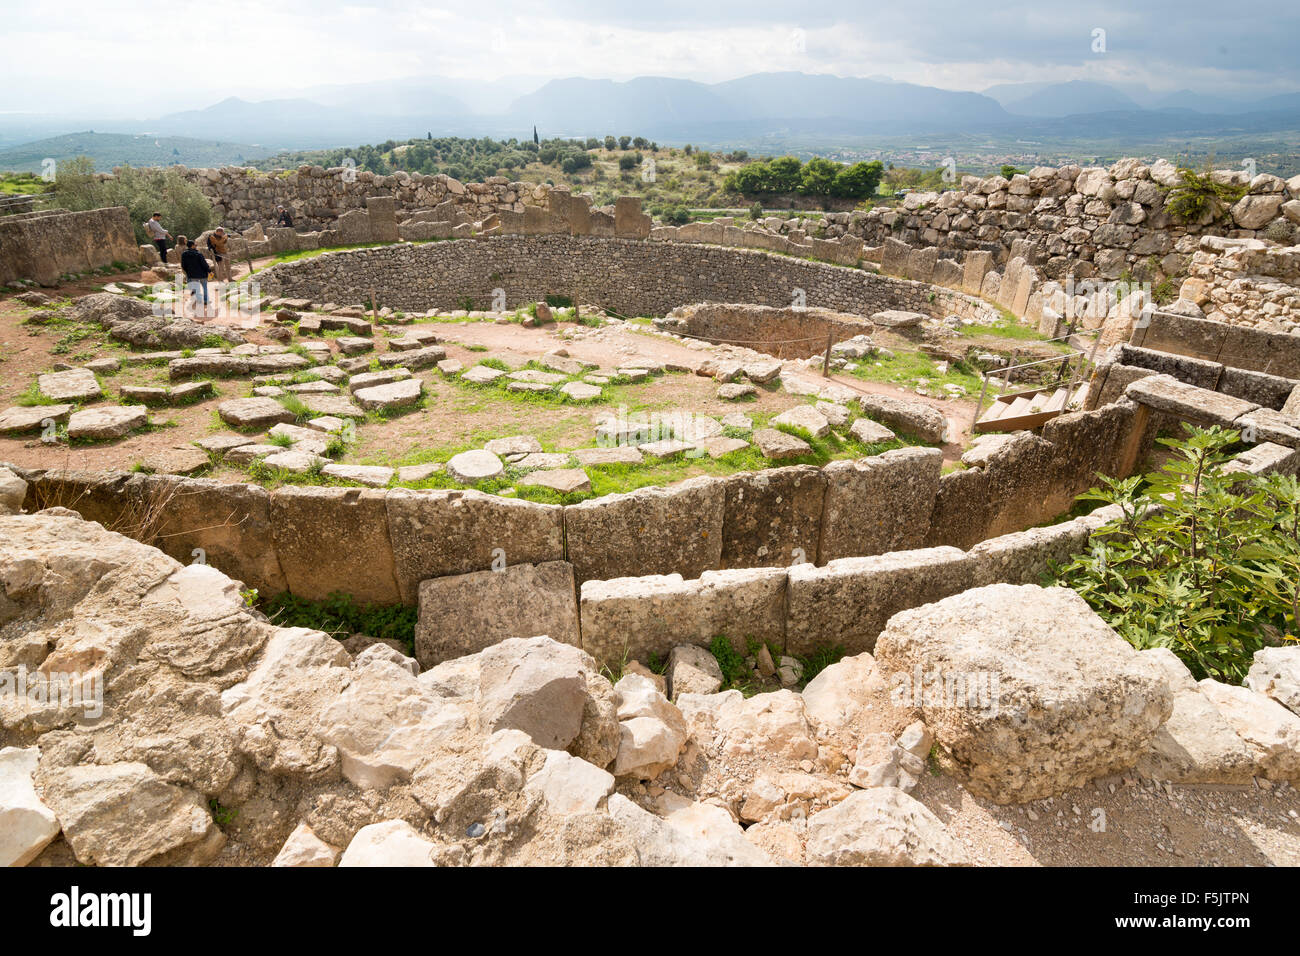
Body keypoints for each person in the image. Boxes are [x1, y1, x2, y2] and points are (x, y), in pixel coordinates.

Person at [180, 240, 211, 318]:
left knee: (197, 290)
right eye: (195, 244)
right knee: (205, 288)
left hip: (192, 275)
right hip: (202, 274)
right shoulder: (198, 254)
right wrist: (209, 270)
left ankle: (199, 303)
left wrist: (188, 272)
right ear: (192, 245)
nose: (196, 245)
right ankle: (206, 301)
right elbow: (204, 264)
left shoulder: (184, 254)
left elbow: (183, 265)